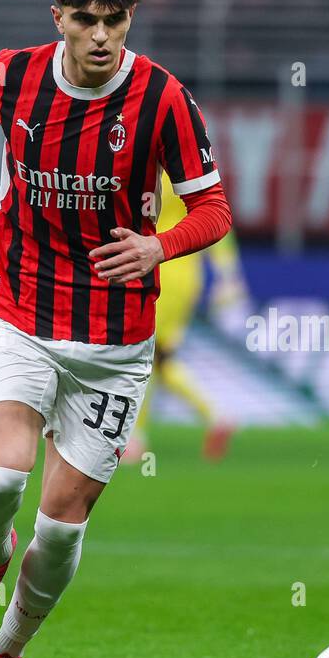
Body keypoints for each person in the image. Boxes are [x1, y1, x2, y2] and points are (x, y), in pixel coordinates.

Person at [0, 0, 232, 658]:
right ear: (57, 17)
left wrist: (158, 245)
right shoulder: (15, 74)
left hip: (113, 341)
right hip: (20, 309)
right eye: (85, 20)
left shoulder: (164, 98)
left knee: (63, 531)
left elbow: (214, 210)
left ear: (130, 17)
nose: (101, 36)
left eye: (115, 20)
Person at [122, 168, 248, 464]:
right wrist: (227, 273)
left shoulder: (158, 170)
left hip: (163, 270)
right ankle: (216, 416)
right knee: (160, 358)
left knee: (146, 353)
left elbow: (214, 215)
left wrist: (229, 275)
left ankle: (135, 438)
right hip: (183, 273)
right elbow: (215, 216)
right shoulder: (183, 168)